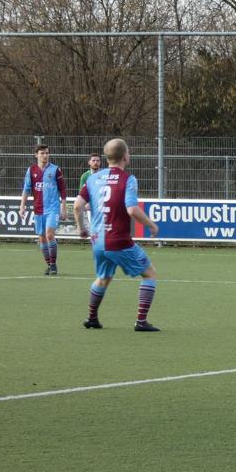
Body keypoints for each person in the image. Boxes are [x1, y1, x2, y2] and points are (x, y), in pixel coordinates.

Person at [73, 138, 161, 331]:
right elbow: (132, 210)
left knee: (103, 278)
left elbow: (77, 205)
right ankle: (141, 321)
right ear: (125, 156)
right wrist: (151, 225)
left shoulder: (92, 178)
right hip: (119, 240)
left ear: (106, 157)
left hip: (97, 241)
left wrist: (81, 229)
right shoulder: (128, 179)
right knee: (150, 274)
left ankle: (92, 318)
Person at [19, 144, 67, 275]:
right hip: (38, 208)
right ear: (36, 155)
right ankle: (50, 264)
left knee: (49, 234)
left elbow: (62, 189)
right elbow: (26, 189)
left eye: (47, 153)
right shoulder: (31, 170)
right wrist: (22, 206)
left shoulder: (55, 170)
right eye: (42, 153)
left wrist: (63, 207)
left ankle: (53, 265)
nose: (45, 155)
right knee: (41, 238)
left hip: (52, 208)